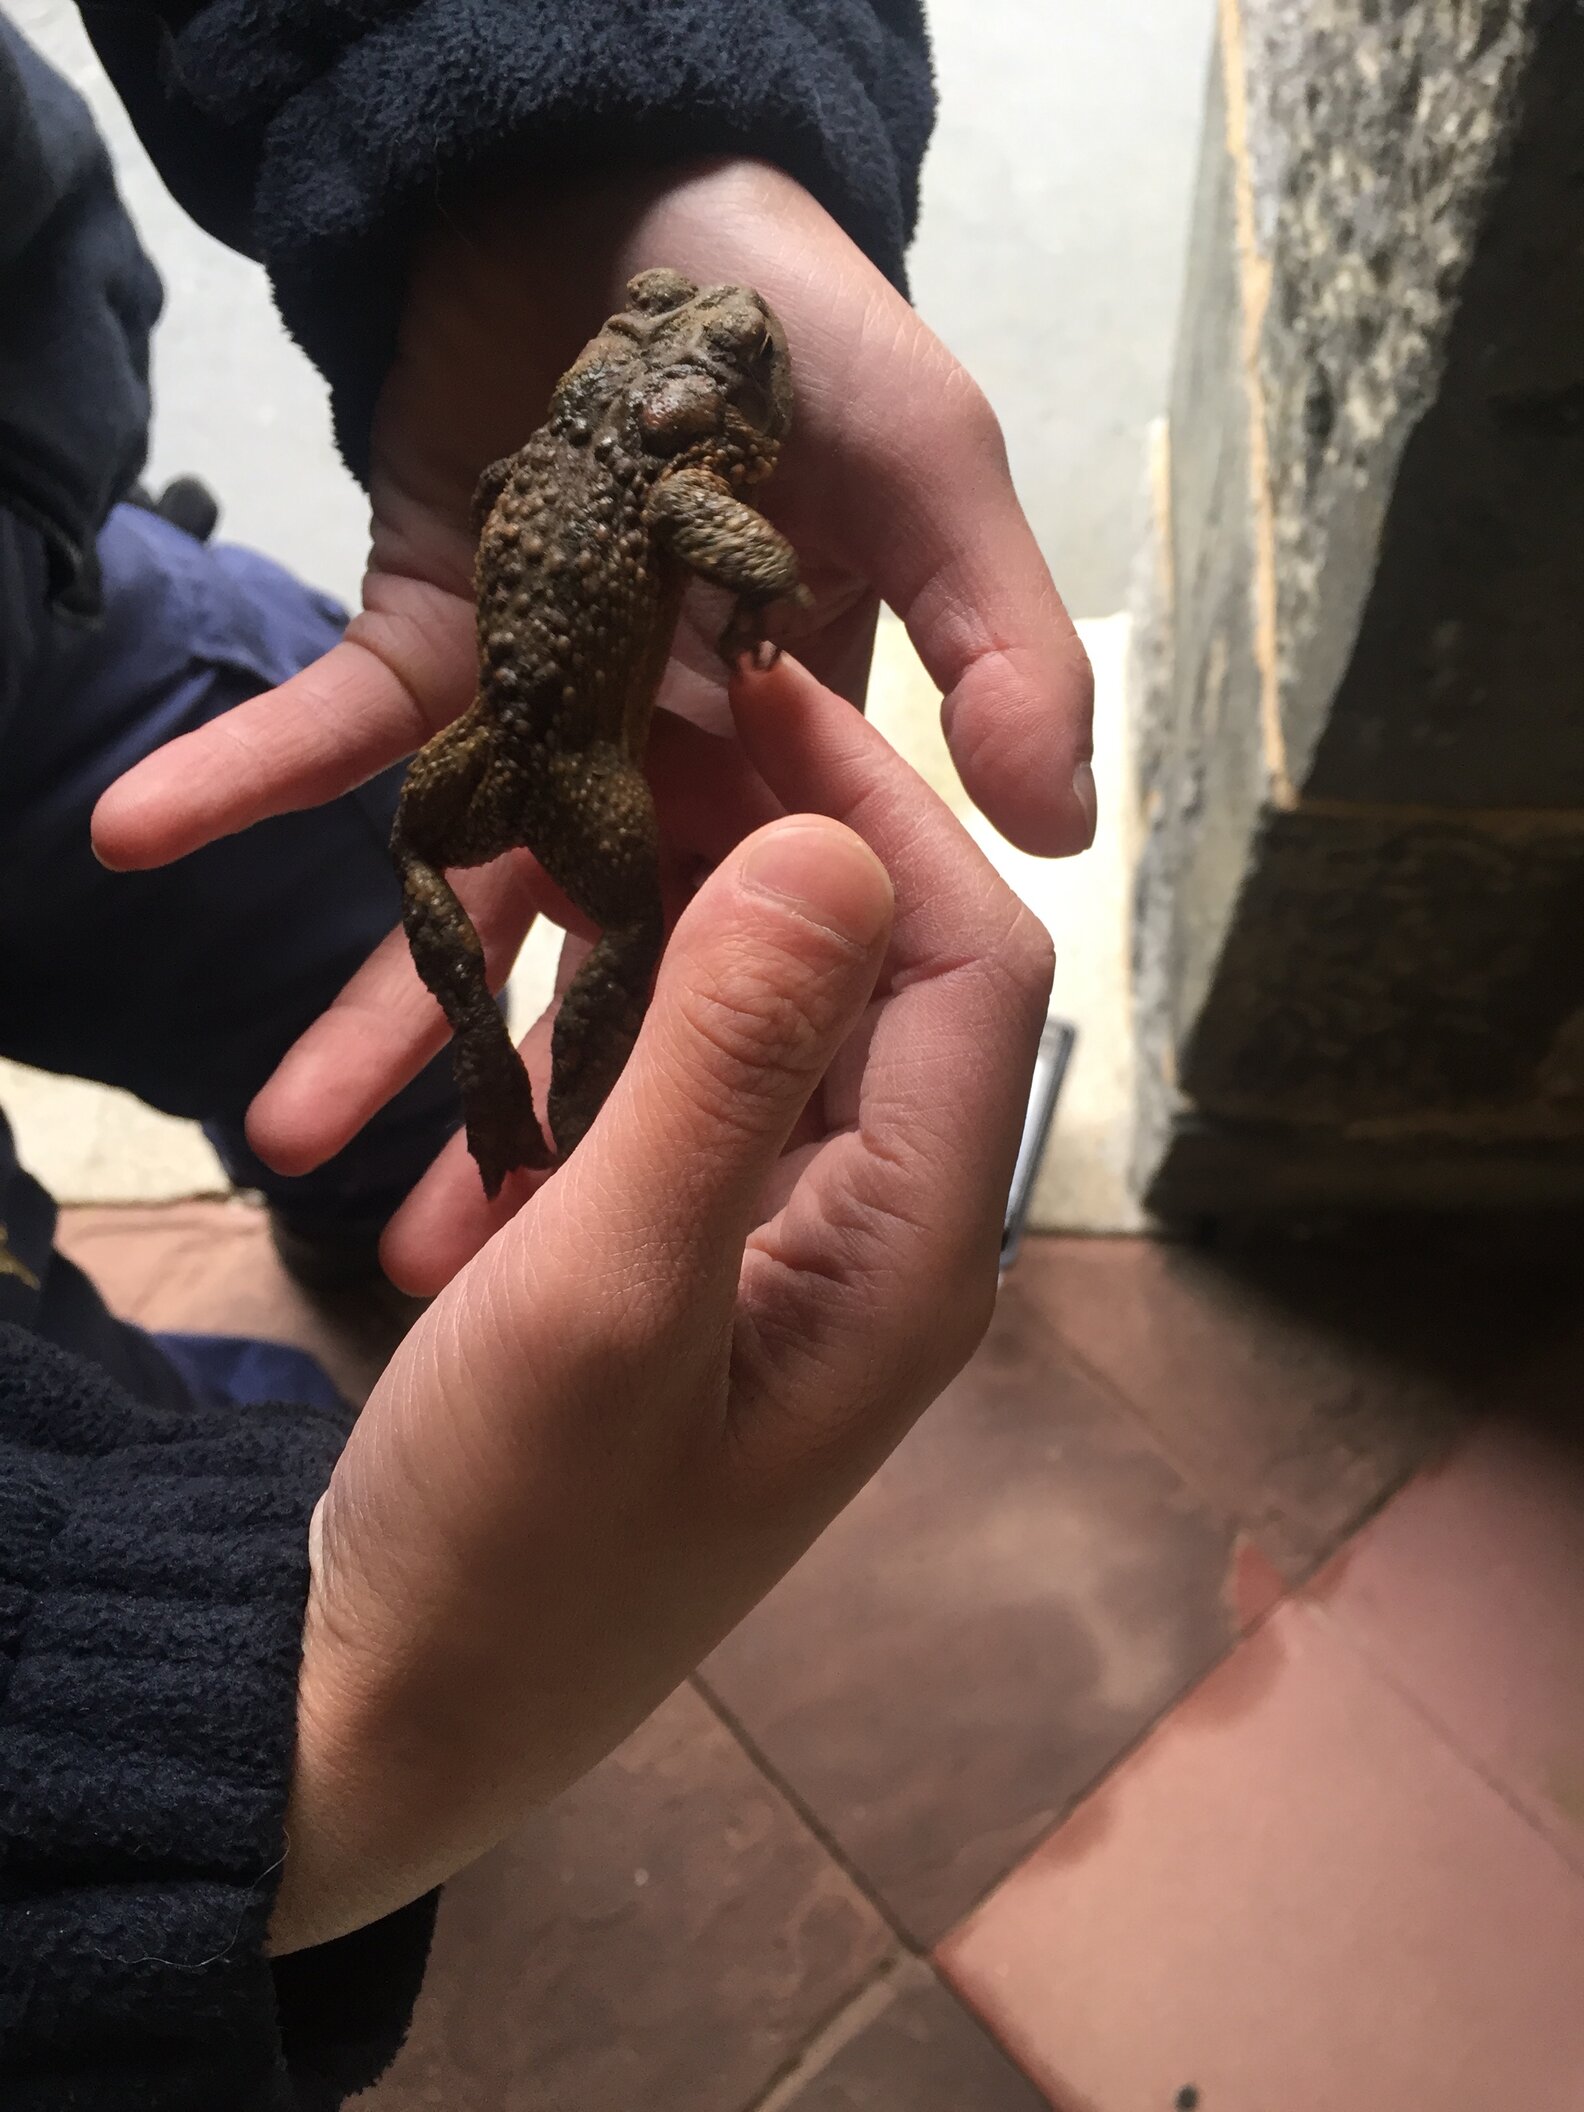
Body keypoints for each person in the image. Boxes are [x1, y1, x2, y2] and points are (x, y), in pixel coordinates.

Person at [0, 2, 1092, 2104]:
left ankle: (445, 1160)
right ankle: (530, 1142)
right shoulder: (676, 488)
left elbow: (532, 473)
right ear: (670, 406)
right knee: (627, 919)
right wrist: (302, 1720)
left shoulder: (559, 432)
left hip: (93, 595)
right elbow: (740, 557)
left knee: (352, 900)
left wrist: (572, 120)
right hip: (558, 742)